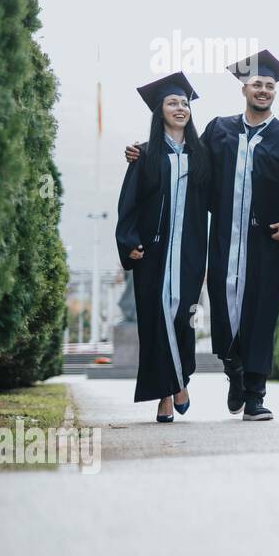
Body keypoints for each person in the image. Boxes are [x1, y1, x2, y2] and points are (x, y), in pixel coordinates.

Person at [124, 49, 279, 420]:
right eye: (257, 83)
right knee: (222, 316)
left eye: (270, 86)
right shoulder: (220, 130)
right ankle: (233, 370)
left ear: (275, 92)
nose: (263, 90)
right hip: (223, 243)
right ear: (244, 88)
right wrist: (142, 153)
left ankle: (255, 395)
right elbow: (185, 163)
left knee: (260, 317)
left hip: (265, 246)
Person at [115, 72, 210, 421]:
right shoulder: (144, 155)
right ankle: (169, 394)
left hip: (189, 254)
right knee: (157, 320)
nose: (180, 108)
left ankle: (177, 380)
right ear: (160, 111)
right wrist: (129, 242)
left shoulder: (202, 157)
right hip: (152, 254)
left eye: (184, 103)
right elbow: (129, 205)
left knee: (182, 319)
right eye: (172, 102)